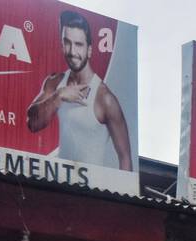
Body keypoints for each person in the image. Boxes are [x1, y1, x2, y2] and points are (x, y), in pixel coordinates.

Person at [25, 10, 133, 170]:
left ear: (89, 49)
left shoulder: (105, 98)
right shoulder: (55, 82)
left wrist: (118, 194)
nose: (72, 51)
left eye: (78, 44)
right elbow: (32, 123)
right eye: (67, 43)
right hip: (60, 184)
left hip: (90, 192)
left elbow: (125, 158)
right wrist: (59, 96)